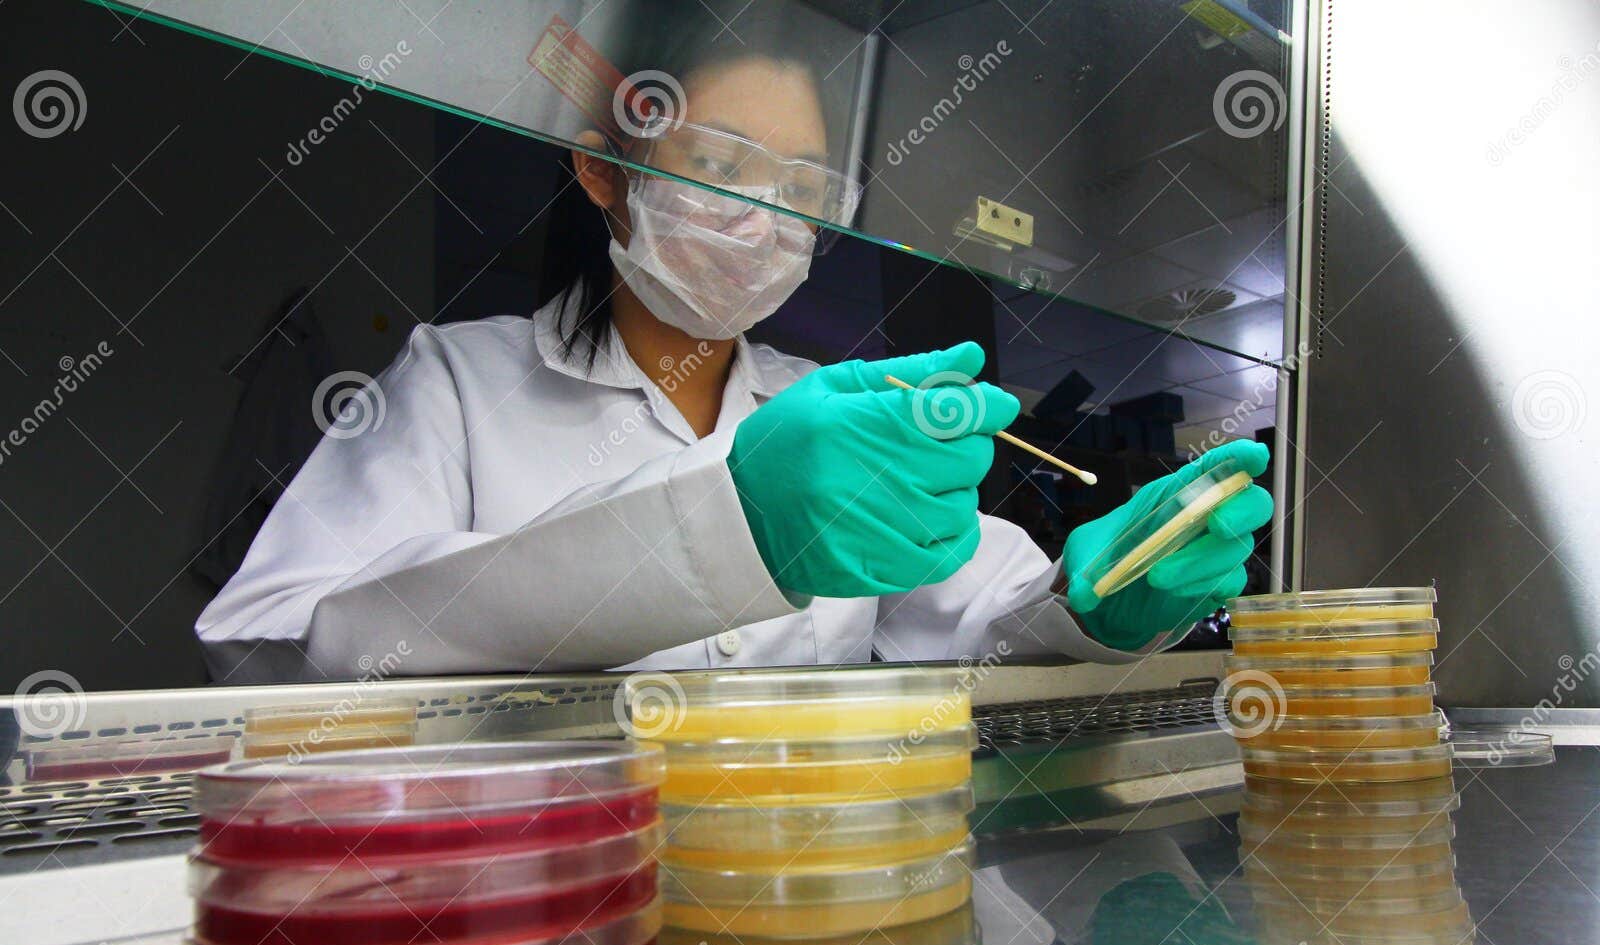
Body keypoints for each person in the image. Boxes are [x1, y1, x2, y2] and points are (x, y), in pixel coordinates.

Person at [195, 28, 1271, 683]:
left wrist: (1102, 597)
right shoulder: (458, 384)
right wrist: (718, 526)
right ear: (603, 173)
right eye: (718, 165)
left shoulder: (820, 413)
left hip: (799, 907)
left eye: (802, 189)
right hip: (556, 916)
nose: (763, 219)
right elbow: (269, 645)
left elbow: (978, 624)